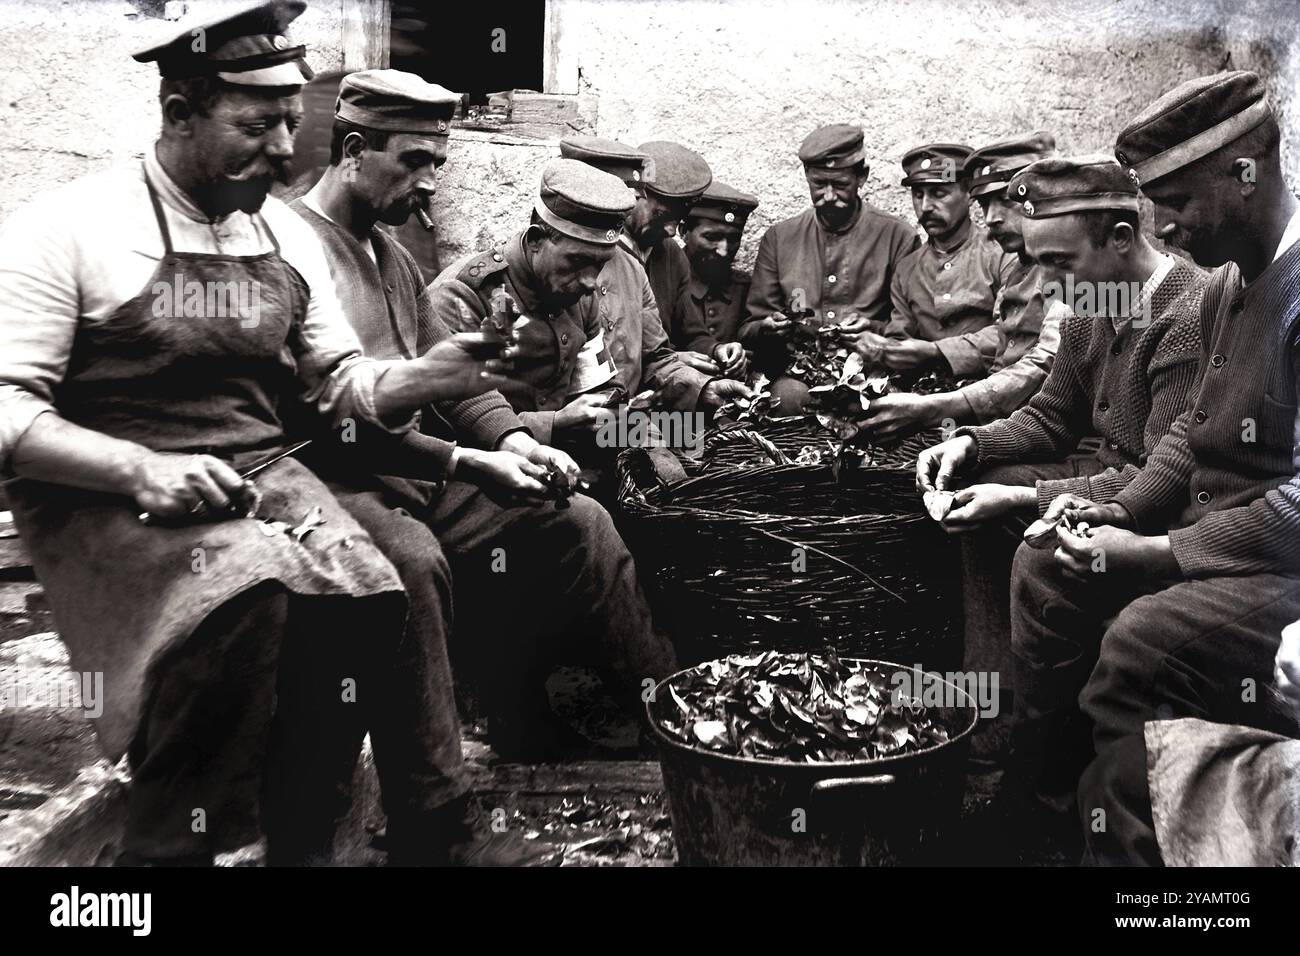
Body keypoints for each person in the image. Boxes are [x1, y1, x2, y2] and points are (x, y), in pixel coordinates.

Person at [0, 1, 514, 866]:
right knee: (249, 599)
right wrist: (138, 469)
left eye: (289, 123)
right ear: (178, 114)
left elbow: (340, 384)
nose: (283, 150)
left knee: (369, 594)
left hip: (256, 478)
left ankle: (302, 838)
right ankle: (165, 850)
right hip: (107, 500)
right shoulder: (72, 228)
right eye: (257, 125)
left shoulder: (276, 234)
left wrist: (426, 379)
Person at [292, 74, 680, 775]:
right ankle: (436, 808)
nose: (431, 184)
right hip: (339, 481)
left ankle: (671, 716)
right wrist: (480, 456)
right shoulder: (296, 250)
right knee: (413, 561)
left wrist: (515, 442)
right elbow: (330, 416)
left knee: (579, 519)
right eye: (416, 161)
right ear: (353, 148)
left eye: (437, 164)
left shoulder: (394, 259)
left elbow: (458, 383)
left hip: (421, 470)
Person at [1006, 72, 1300, 863]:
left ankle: (1143, 853)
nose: (1161, 226)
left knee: (1139, 647)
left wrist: (1162, 553)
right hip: (1217, 542)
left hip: (1280, 563)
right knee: (1054, 566)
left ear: (1247, 171)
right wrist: (1124, 511)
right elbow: (1190, 441)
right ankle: (1066, 817)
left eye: (1175, 199)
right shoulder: (1228, 289)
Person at [914, 157, 1207, 768]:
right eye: (1039, 261)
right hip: (1103, 475)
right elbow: (1051, 416)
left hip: (1157, 505)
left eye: (1060, 263)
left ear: (1122, 240)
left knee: (1036, 552)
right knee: (978, 486)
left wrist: (1030, 499)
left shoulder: (1185, 315)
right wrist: (973, 444)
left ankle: (1042, 766)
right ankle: (992, 708)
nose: (1047, 283)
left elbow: (1160, 476)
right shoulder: (1090, 302)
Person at [430, 159, 748, 460]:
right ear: (537, 239)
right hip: (493, 466)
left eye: (600, 264)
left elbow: (599, 390)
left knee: (672, 467)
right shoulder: (465, 295)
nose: (590, 282)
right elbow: (451, 420)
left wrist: (695, 395)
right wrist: (554, 424)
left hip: (576, 451)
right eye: (578, 261)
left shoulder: (581, 291)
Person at [857, 133, 1067, 442]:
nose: (992, 218)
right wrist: (879, 344)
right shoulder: (1021, 262)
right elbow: (1007, 354)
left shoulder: (1056, 267)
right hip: (999, 410)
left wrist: (936, 385)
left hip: (1022, 415)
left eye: (1007, 201)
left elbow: (1045, 360)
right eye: (986, 203)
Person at [742, 124, 919, 412]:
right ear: (807, 178)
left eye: (839, 185)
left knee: (882, 407)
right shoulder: (779, 239)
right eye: (818, 184)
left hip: (874, 373)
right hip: (799, 376)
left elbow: (912, 328)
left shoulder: (898, 237)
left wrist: (872, 329)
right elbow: (749, 327)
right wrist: (767, 328)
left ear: (862, 176)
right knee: (786, 400)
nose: (828, 195)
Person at [557, 134, 721, 408]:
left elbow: (656, 355)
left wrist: (704, 388)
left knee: (690, 443)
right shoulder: (537, 268)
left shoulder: (633, 268)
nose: (671, 230)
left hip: (622, 419)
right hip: (559, 429)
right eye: (662, 215)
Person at [849, 143, 1010, 378]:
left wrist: (936, 351)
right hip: (925, 391)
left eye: (939, 193)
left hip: (991, 386)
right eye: (918, 194)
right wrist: (876, 340)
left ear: (968, 194)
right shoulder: (907, 269)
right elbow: (900, 335)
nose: (925, 207)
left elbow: (1011, 333)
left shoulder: (1000, 254)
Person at [626, 140, 746, 378]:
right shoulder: (603, 252)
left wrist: (717, 349)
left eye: (678, 219)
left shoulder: (670, 254)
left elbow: (691, 332)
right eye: (661, 215)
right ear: (636, 194)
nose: (671, 231)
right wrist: (670, 359)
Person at [680, 181, 760, 347]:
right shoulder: (662, 283)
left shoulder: (745, 289)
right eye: (712, 237)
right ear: (684, 232)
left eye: (733, 239)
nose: (723, 250)